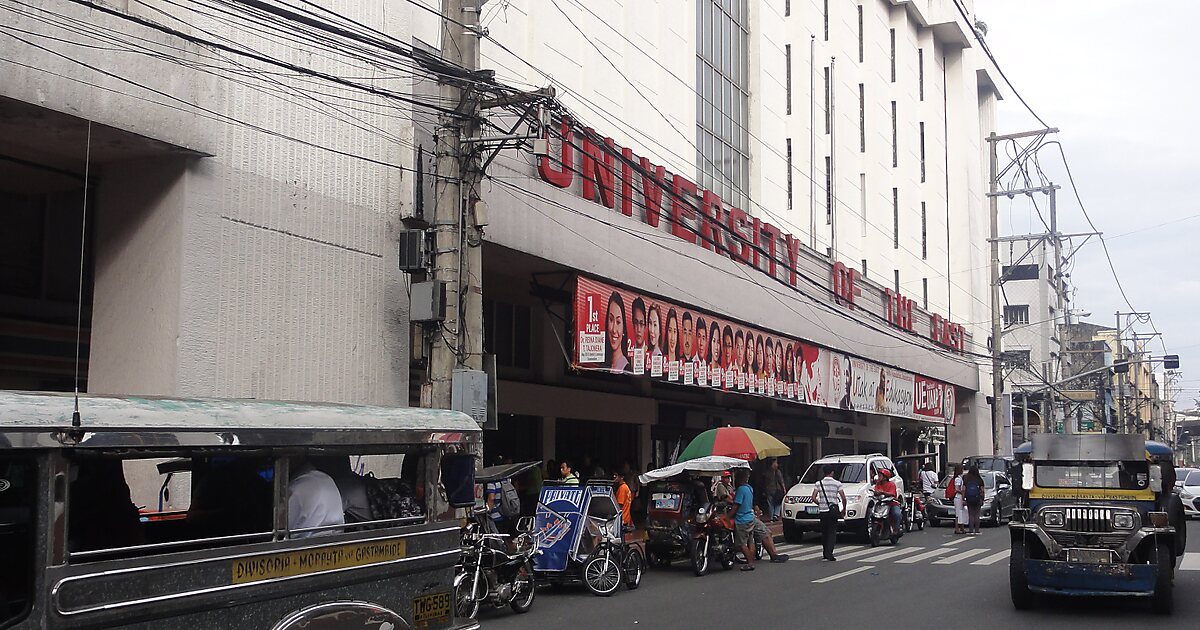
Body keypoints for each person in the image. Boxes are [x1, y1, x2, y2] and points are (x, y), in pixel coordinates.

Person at [732, 469, 788, 570]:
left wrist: (728, 516)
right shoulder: (747, 488)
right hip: (749, 517)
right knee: (752, 540)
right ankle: (756, 560)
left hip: (744, 518)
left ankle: (768, 556)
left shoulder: (741, 489)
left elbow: (737, 505)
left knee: (759, 535)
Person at [288, 458, 345, 538]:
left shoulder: (297, 487)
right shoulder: (327, 479)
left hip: (306, 544)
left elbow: (284, 526)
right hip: (338, 540)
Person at [811, 465, 847, 561]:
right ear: (832, 472)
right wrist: (844, 509)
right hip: (833, 511)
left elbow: (813, 497)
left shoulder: (819, 483)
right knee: (832, 532)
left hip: (823, 511)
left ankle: (825, 552)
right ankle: (829, 553)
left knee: (824, 532)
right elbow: (843, 498)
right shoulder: (837, 483)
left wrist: (819, 503)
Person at [604, 291, 630, 373]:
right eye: (611, 320)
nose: (614, 329)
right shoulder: (604, 365)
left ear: (624, 329)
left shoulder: (626, 368)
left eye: (618, 322)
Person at [872, 468, 903, 537]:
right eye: (878, 475)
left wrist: (882, 492)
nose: (879, 477)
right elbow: (875, 492)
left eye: (880, 476)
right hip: (882, 504)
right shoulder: (877, 484)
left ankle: (896, 530)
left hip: (892, 504)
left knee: (896, 514)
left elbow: (892, 493)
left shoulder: (891, 484)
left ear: (885, 477)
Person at [963, 466, 986, 535]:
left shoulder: (966, 479)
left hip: (969, 498)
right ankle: (977, 530)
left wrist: (964, 498)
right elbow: (982, 490)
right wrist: (982, 498)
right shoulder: (979, 480)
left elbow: (964, 490)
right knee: (977, 514)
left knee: (971, 514)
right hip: (977, 498)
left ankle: (970, 530)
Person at [951, 463, 967, 535]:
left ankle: (962, 528)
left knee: (961, 513)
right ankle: (957, 528)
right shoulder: (958, 479)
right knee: (958, 513)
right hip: (958, 497)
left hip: (959, 497)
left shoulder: (960, 478)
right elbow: (956, 489)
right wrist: (963, 492)